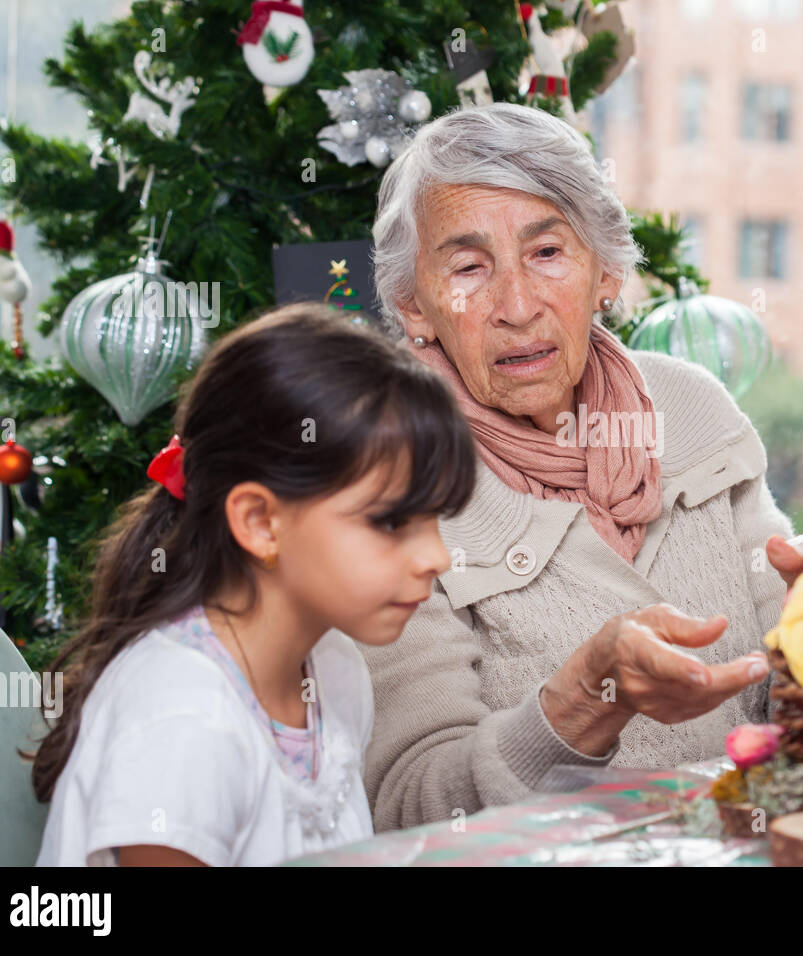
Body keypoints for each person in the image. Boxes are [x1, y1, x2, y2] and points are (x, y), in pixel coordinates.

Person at [361, 102, 803, 830]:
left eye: (548, 253)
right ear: (412, 306)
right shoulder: (388, 486)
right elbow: (413, 805)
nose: (517, 305)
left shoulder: (691, 407)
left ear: (605, 271)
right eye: (468, 267)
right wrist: (584, 700)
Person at [33, 304, 476, 865]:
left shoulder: (335, 670)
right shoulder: (186, 720)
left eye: (438, 519)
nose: (436, 556)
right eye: (391, 522)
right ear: (260, 523)